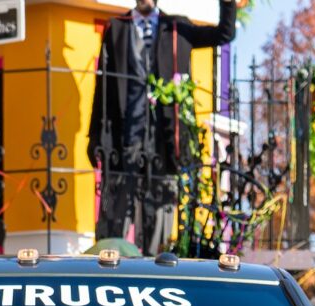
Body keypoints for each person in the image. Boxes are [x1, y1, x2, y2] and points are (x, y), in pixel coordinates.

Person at [88, 0, 238, 251]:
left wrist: (228, 3)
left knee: (158, 220)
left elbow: (224, 33)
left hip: (165, 142)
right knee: (114, 220)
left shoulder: (178, 27)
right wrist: (93, 137)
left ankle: (151, 271)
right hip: (123, 141)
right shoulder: (117, 27)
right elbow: (102, 87)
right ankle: (110, 269)